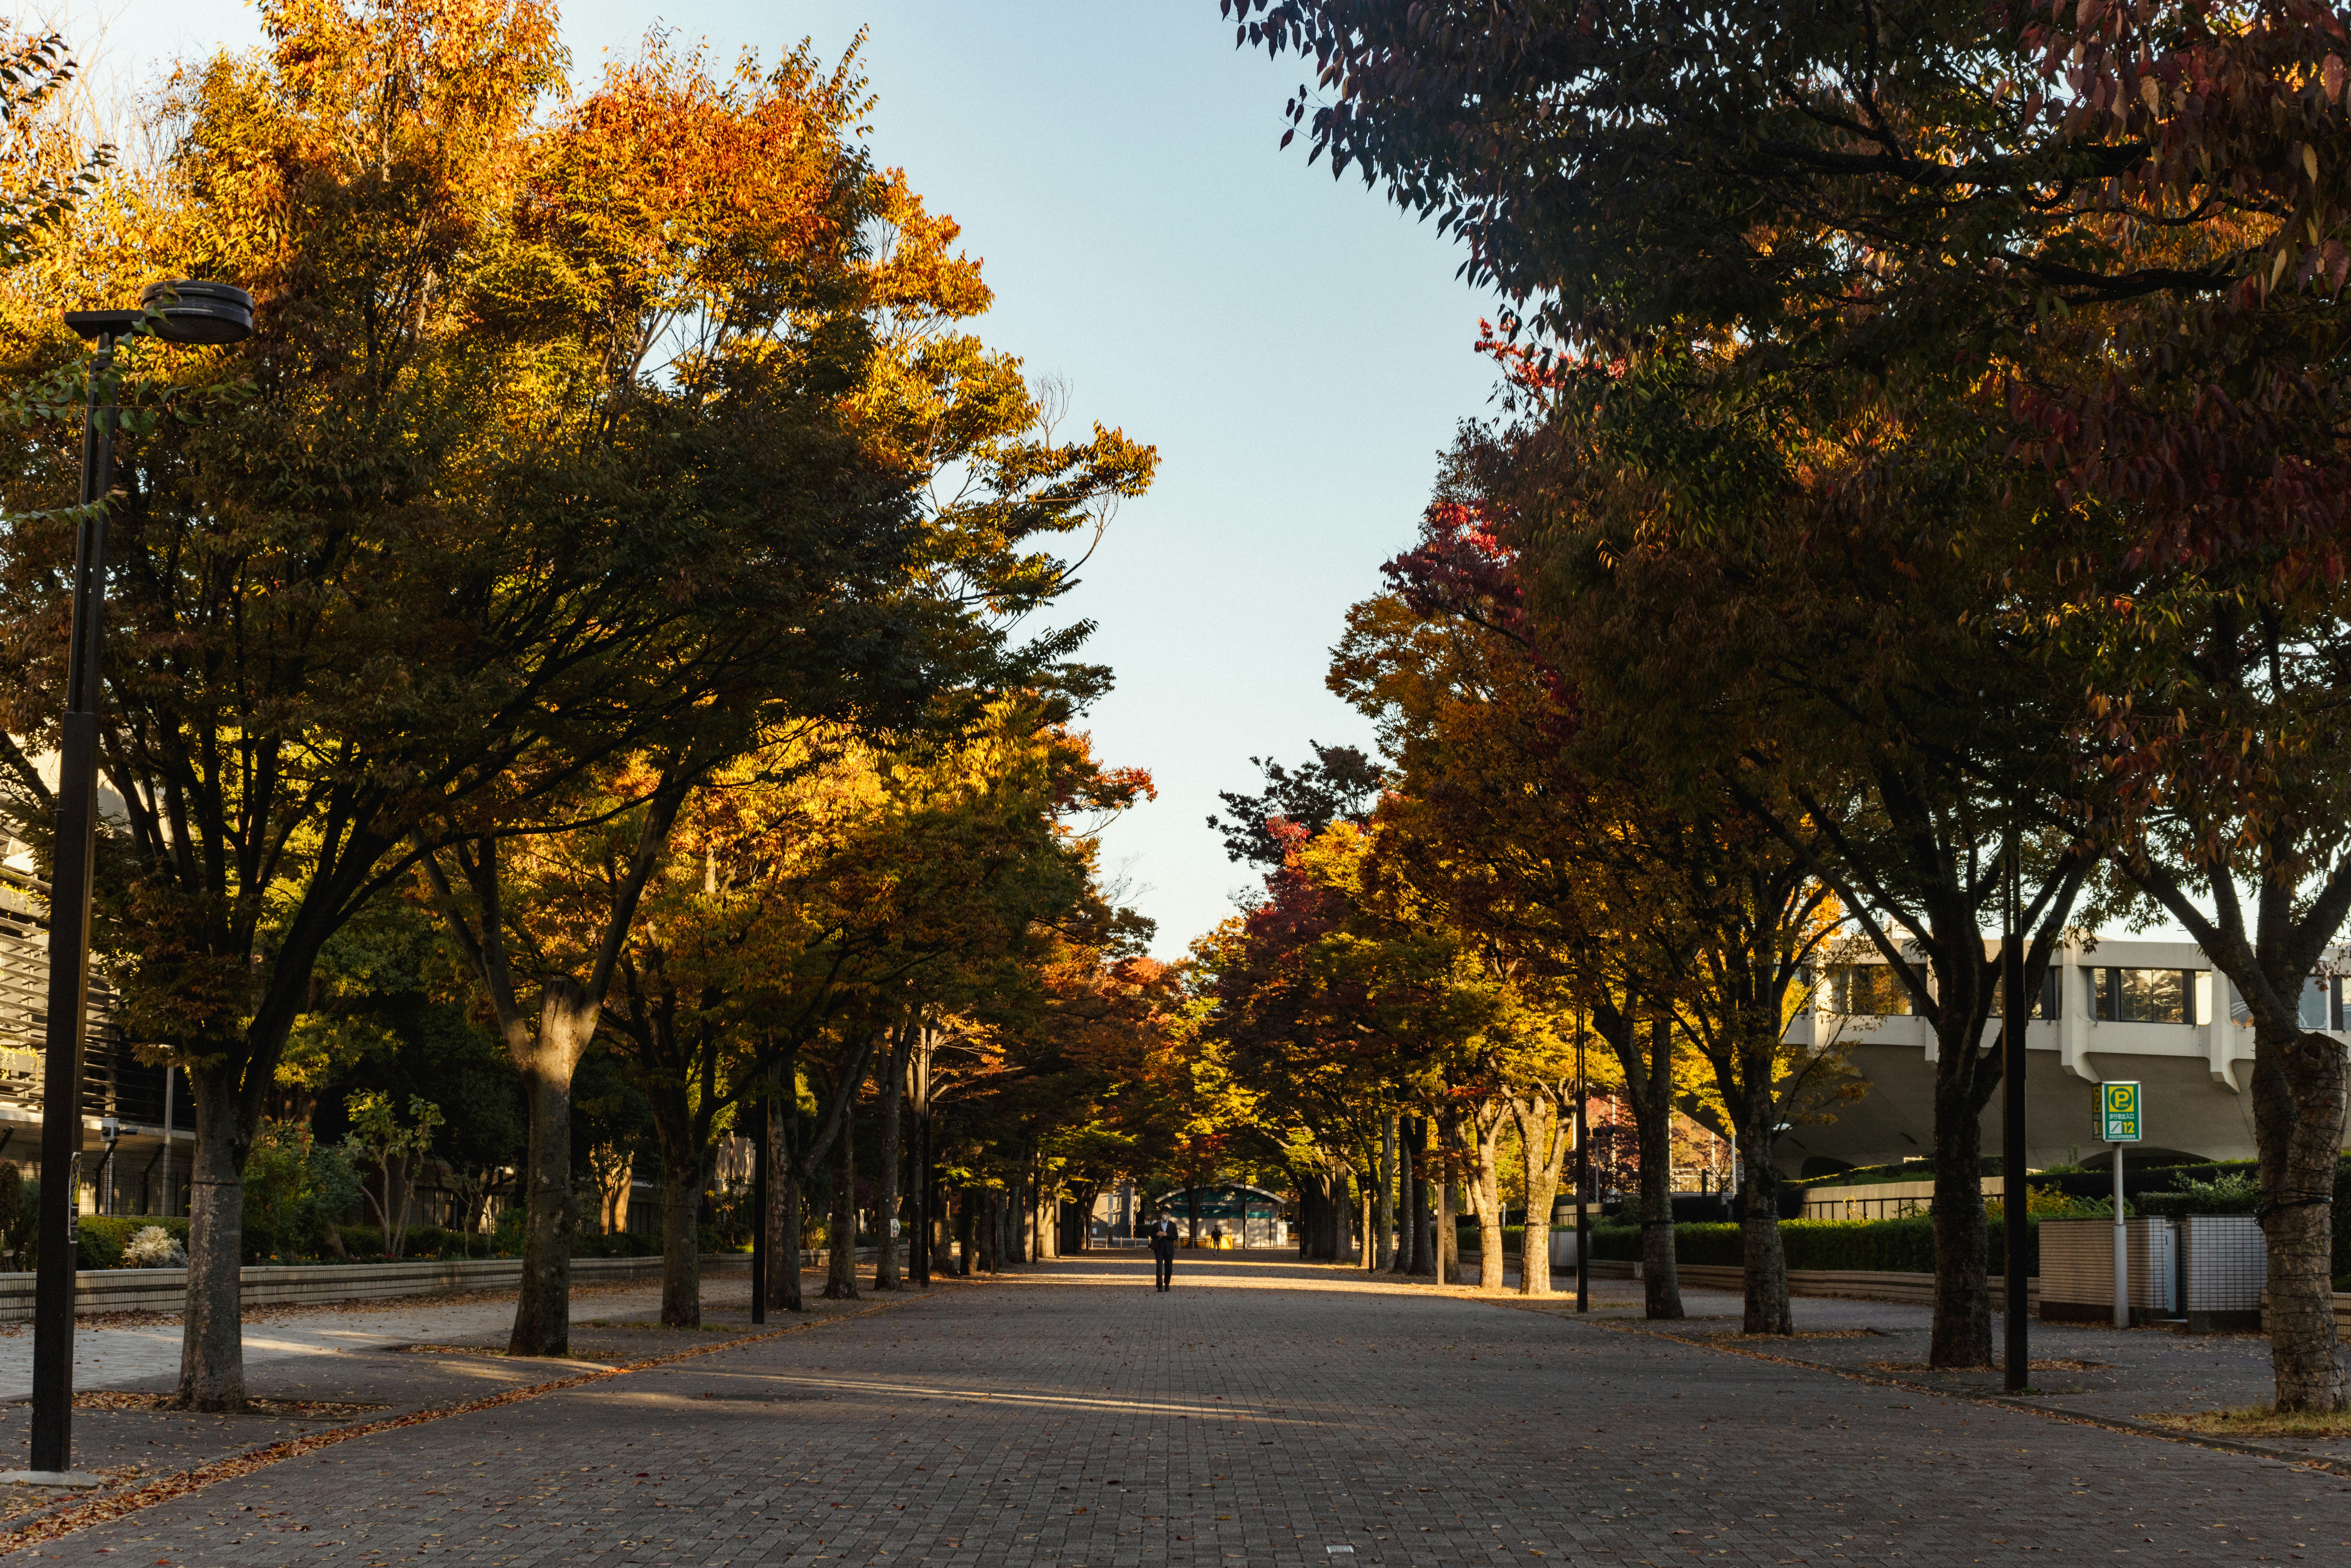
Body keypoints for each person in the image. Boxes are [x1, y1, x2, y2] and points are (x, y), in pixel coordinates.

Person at [1147, 1206, 1179, 1291]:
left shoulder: (1173, 1225)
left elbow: (1176, 1237)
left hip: (1169, 1250)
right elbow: (1152, 1234)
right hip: (1159, 1249)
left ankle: (1167, 1284)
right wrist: (1157, 1234)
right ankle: (1160, 1286)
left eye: (1166, 1214)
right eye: (1163, 1214)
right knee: (1159, 1268)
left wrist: (1167, 1235)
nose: (1164, 1216)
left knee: (1169, 1268)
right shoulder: (1156, 1225)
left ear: (1169, 1215)